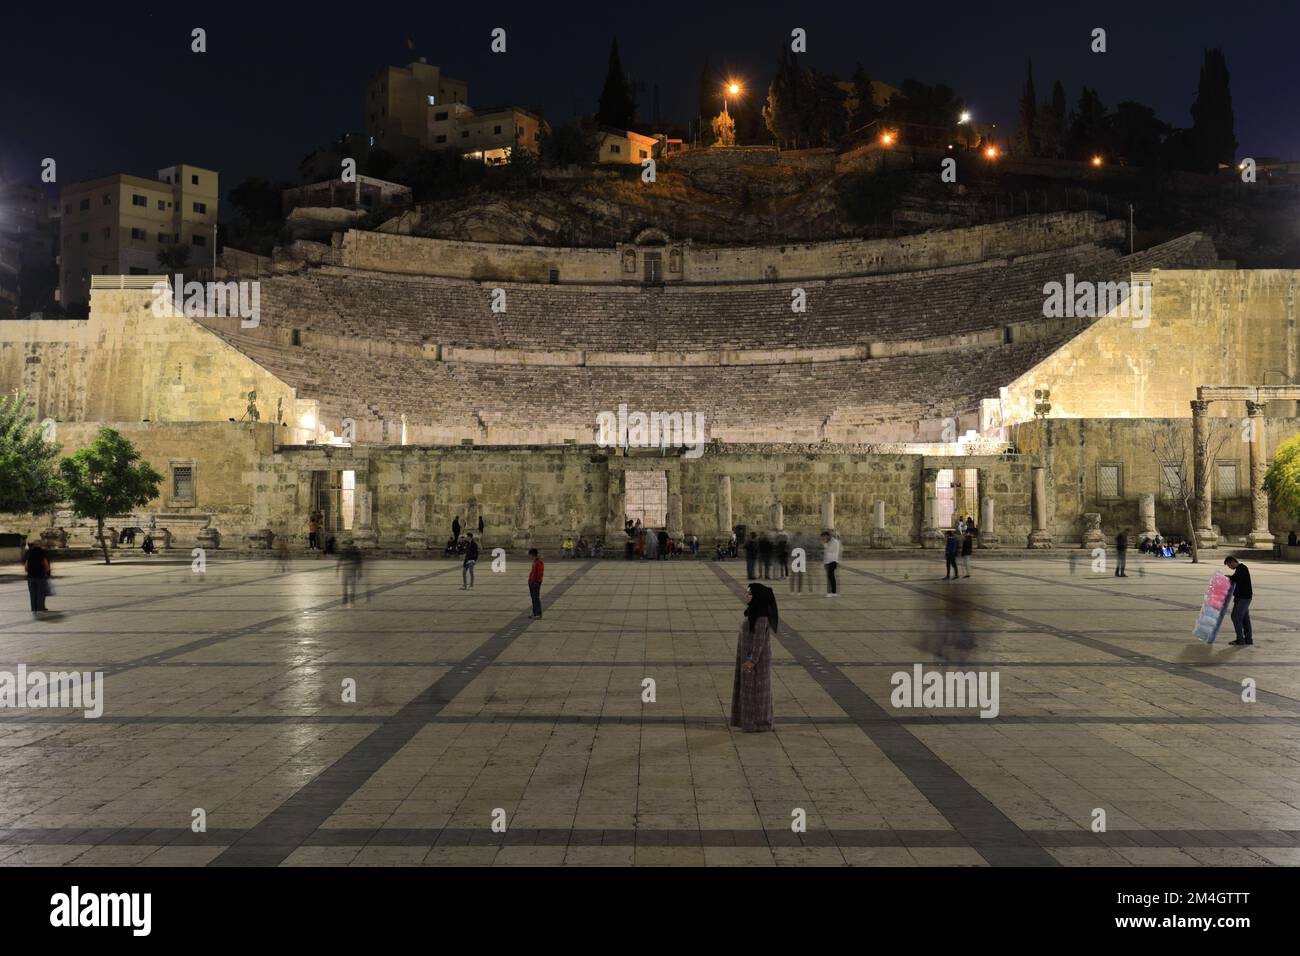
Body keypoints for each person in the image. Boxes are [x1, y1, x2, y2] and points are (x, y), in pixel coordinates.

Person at [730, 582, 777, 733]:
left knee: (755, 692)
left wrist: (752, 660)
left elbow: (758, 641)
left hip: (755, 662)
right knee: (749, 691)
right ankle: (748, 721)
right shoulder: (754, 612)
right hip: (748, 658)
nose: (746, 596)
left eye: (750, 594)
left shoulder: (761, 617)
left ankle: (758, 723)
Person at [1224, 556, 1253, 646]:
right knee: (1245, 619)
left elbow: (1237, 578)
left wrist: (1228, 577)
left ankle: (1240, 639)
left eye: (1229, 565)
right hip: (1242, 597)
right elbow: (1236, 577)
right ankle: (1248, 639)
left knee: (1235, 617)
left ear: (1232, 562)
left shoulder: (1242, 568)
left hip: (1244, 598)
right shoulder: (1240, 569)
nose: (1229, 567)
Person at [24, 542, 51, 615]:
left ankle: (34, 608)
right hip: (41, 577)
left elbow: (26, 568)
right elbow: (47, 568)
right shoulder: (42, 558)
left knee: (32, 594)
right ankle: (40, 608)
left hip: (31, 578)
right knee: (41, 593)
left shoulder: (29, 558)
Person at [821, 531, 841, 597]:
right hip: (827, 562)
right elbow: (826, 552)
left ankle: (830, 593)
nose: (823, 538)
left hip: (832, 561)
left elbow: (829, 550)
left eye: (824, 537)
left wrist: (825, 543)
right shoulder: (829, 542)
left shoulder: (834, 542)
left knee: (830, 577)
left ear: (827, 536)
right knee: (830, 577)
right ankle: (833, 592)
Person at [527, 548, 545, 618]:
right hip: (531, 582)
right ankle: (534, 613)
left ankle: (538, 614)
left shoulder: (539, 562)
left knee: (536, 598)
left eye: (530, 555)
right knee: (533, 598)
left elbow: (540, 573)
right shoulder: (534, 562)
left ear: (533, 555)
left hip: (535, 582)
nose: (529, 557)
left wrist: (537, 581)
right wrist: (530, 580)